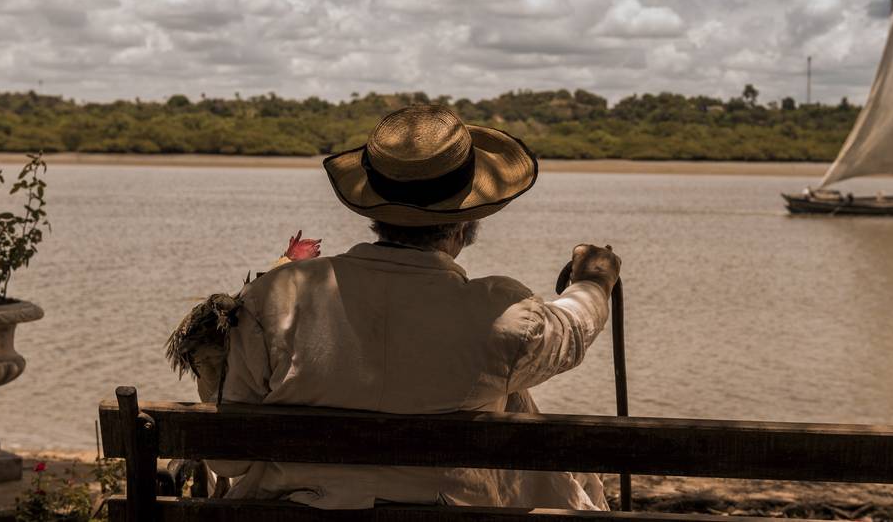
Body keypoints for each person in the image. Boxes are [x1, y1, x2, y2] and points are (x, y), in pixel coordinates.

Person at [196, 105, 621, 511]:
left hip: (287, 521)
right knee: (508, 394)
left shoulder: (274, 296)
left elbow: (228, 461)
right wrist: (594, 281)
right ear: (466, 220)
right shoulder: (502, 315)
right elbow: (572, 330)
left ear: (374, 208)